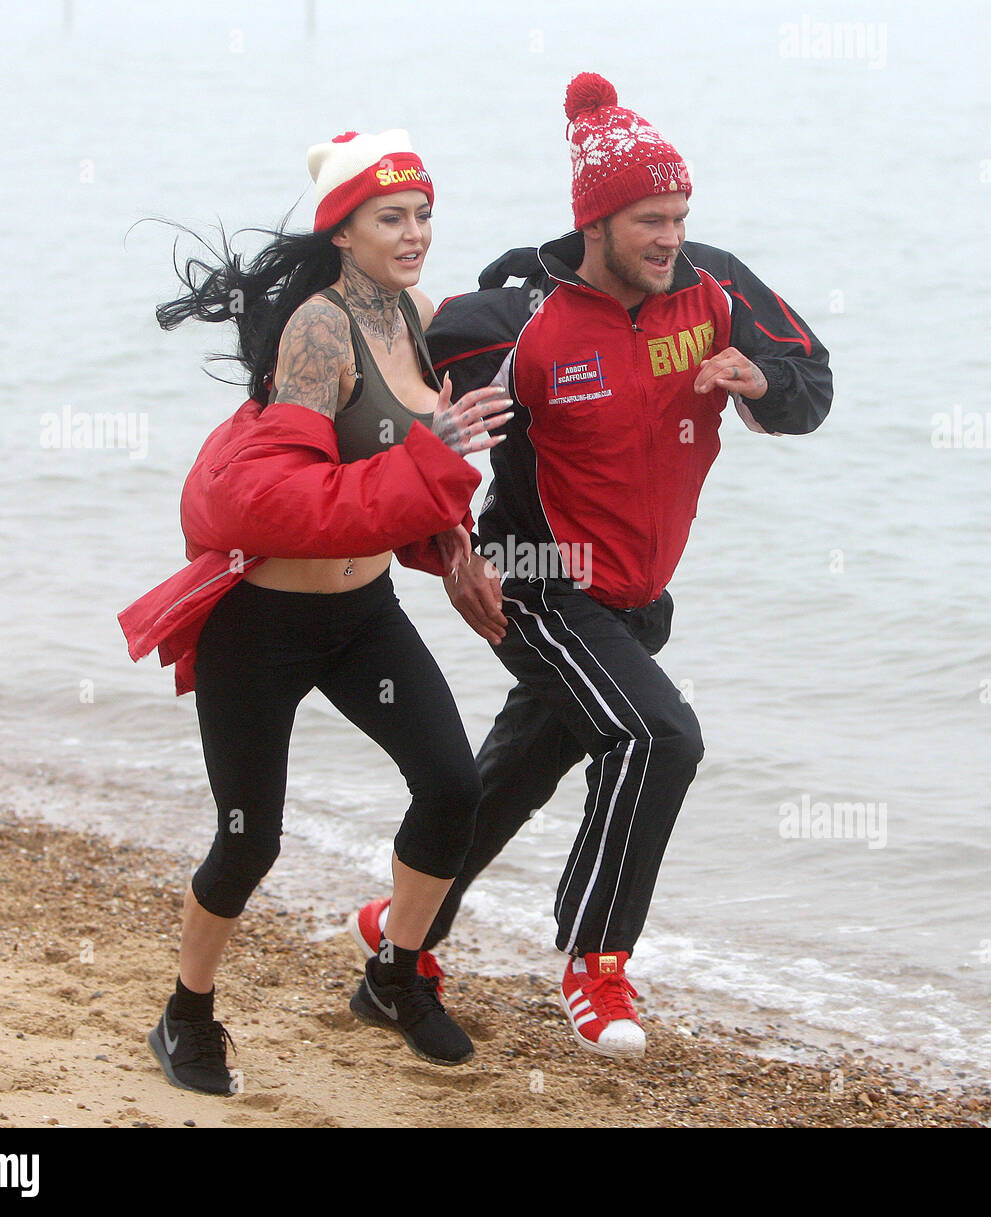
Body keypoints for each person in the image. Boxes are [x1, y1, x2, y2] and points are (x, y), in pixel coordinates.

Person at [349, 76, 833, 1058]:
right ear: (597, 221)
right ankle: (595, 963)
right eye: (651, 220)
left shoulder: (715, 286)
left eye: (680, 216)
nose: (671, 237)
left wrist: (763, 381)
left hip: (637, 594)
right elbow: (429, 441)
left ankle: (400, 929)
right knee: (659, 736)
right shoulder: (508, 321)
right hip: (538, 574)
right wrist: (452, 550)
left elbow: (812, 383)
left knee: (518, 771)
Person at [118, 130, 512, 1090]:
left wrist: (454, 550)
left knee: (453, 789)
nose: (414, 232)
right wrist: (437, 452)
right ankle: (187, 1012)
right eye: (391, 216)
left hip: (362, 613)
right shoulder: (318, 331)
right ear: (342, 230)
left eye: (423, 213)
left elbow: (412, 481)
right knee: (249, 839)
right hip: (265, 625)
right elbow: (281, 497)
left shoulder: (416, 314)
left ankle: (396, 973)